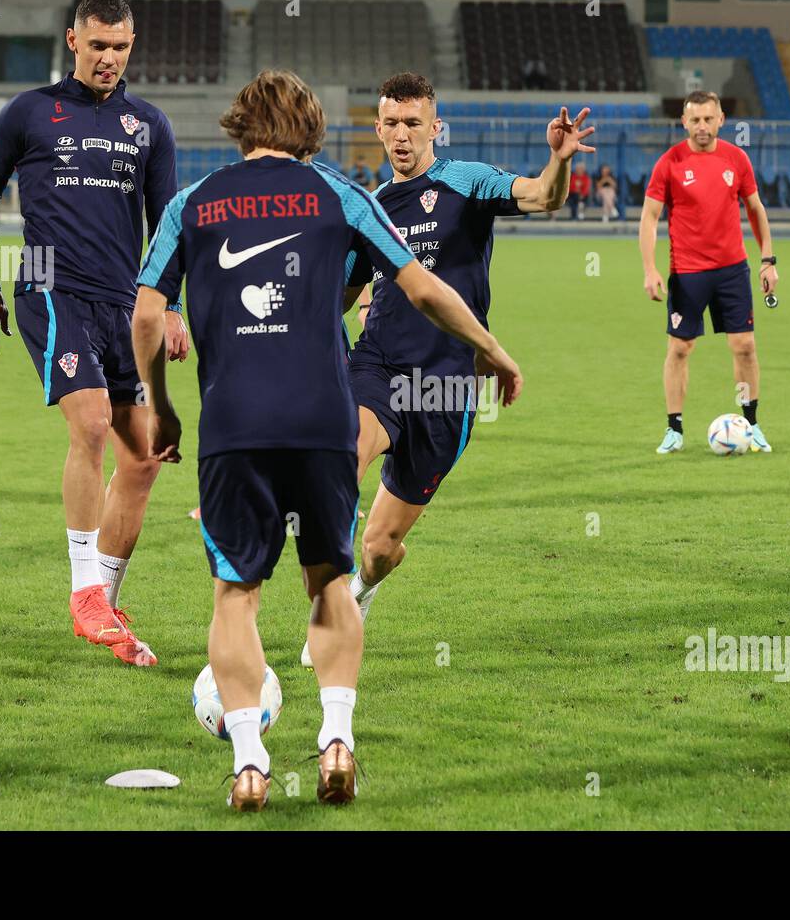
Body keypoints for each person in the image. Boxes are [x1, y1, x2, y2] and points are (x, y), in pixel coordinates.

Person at [131, 70, 523, 811]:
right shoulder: (341, 195)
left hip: (233, 425)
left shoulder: (191, 204)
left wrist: (162, 408)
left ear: (241, 126)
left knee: (235, 594)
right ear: (310, 129)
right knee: (329, 584)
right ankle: (336, 740)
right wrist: (493, 349)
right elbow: (423, 288)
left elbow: (147, 315)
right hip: (322, 421)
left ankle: (249, 760)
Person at [297, 72, 593, 669]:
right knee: (344, 453)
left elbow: (543, 196)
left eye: (414, 124)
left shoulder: (466, 181)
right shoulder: (371, 208)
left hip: (447, 384)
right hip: (377, 362)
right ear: (377, 129)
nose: (402, 136)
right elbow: (343, 294)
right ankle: (328, 612)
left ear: (435, 127)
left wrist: (558, 160)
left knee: (381, 546)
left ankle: (360, 588)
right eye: (392, 124)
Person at [0, 0, 185, 665]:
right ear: (73, 41)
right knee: (91, 425)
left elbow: (168, 223)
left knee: (144, 456)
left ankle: (107, 604)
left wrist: (167, 304)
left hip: (123, 304)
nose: (110, 59)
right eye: (98, 46)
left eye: (121, 47)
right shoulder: (30, 111)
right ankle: (83, 590)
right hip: (49, 287)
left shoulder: (149, 125)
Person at [638, 90, 778, 455]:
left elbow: (755, 209)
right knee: (681, 348)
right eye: (695, 119)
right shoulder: (669, 162)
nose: (702, 126)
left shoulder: (737, 159)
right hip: (687, 273)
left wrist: (768, 260)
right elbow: (649, 219)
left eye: (708, 118)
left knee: (744, 346)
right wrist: (650, 268)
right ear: (684, 122)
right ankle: (674, 429)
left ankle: (752, 423)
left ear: (720, 120)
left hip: (732, 269)